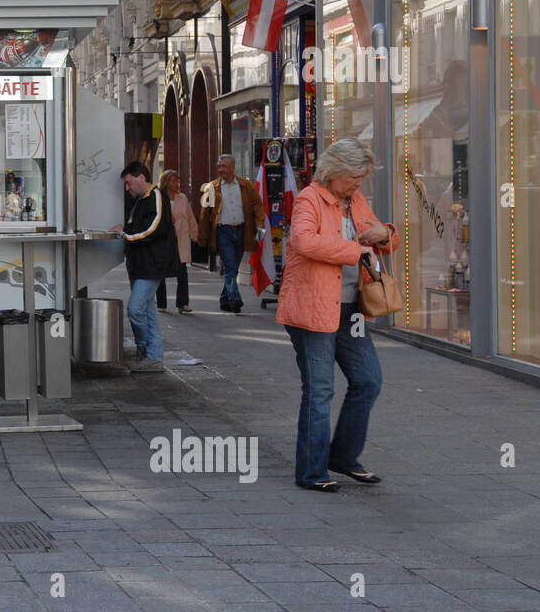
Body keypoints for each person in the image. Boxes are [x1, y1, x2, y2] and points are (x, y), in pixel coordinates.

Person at [277, 139, 399, 492]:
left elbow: (384, 240)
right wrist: (356, 248)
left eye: (363, 179)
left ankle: (343, 457)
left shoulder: (355, 200)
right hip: (313, 308)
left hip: (352, 310)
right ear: (335, 172)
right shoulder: (309, 199)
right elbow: (303, 242)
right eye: (355, 178)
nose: (360, 185)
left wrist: (385, 233)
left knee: (368, 380)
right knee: (319, 390)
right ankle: (312, 471)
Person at [110, 162, 180, 372]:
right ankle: (153, 355)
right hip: (142, 263)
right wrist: (127, 230)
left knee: (136, 308)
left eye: (129, 183)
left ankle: (146, 349)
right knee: (146, 310)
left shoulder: (156, 196)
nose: (127, 188)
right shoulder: (142, 200)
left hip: (152, 264)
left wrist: (126, 235)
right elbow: (143, 226)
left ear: (141, 177)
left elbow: (154, 227)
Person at [197, 153, 265, 313]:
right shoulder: (212, 187)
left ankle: (224, 299)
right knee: (230, 266)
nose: (220, 169)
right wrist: (202, 234)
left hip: (242, 231)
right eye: (219, 166)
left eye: (224, 166)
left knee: (232, 268)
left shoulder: (245, 185)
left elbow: (257, 203)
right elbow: (205, 212)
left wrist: (260, 222)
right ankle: (235, 299)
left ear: (232, 168)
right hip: (223, 232)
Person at [155, 169, 197, 314]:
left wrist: (194, 233)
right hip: (164, 239)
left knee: (182, 271)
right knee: (161, 272)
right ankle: (161, 304)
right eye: (173, 180)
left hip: (181, 239)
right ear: (166, 182)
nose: (176, 183)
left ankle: (183, 303)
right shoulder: (159, 197)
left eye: (177, 180)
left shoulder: (182, 198)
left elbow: (190, 217)